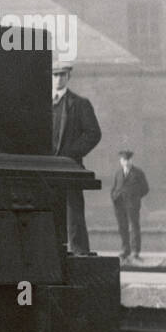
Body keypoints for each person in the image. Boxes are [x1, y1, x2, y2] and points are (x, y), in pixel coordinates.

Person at [51, 61, 102, 254]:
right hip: (45, 169)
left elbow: (93, 133)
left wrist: (70, 155)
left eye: (62, 75)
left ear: (68, 77)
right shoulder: (42, 105)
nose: (58, 79)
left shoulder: (80, 104)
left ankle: (80, 256)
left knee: (74, 216)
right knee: (49, 214)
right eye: (55, 75)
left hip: (70, 169)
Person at [111, 149, 150, 263]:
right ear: (121, 161)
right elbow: (115, 187)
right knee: (122, 227)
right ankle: (125, 250)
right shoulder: (118, 173)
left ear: (131, 160)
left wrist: (135, 197)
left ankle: (135, 251)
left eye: (128, 160)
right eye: (124, 160)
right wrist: (114, 196)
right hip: (119, 204)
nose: (126, 162)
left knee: (134, 227)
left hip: (132, 204)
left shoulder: (138, 173)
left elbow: (145, 189)